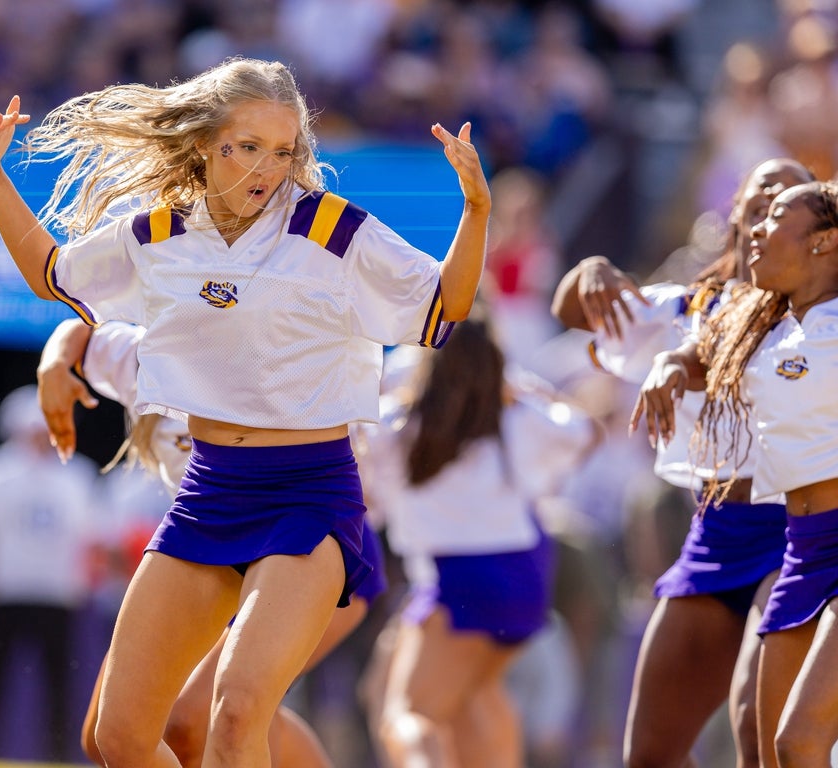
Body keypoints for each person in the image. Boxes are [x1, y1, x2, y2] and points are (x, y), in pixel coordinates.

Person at [0, 57, 489, 766]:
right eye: (248, 147)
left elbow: (444, 308)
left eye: (282, 152)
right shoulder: (157, 234)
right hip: (210, 488)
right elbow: (54, 277)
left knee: (238, 713)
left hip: (309, 491)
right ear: (204, 145)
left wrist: (476, 211)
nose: (266, 168)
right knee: (118, 737)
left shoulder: (334, 230)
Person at [551, 156, 814, 768]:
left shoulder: (823, 320)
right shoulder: (692, 306)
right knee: (650, 754)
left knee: (759, 726)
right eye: (757, 208)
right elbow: (574, 312)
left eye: (786, 208)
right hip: (717, 532)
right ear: (739, 227)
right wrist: (590, 272)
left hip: (799, 533)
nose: (767, 222)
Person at [38, 316, 389, 766]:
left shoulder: (277, 341)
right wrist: (52, 368)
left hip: (310, 546)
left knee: (213, 715)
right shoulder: (155, 348)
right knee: (106, 737)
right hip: (212, 549)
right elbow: (81, 329)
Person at [632, 179, 838, 767]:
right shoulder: (764, 326)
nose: (755, 229)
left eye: (775, 217)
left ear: (824, 242)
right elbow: (703, 350)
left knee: (799, 742)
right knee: (773, 752)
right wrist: (669, 365)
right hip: (802, 551)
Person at [359, 313, 596, 768]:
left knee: (406, 715)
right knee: (475, 699)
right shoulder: (518, 419)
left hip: (458, 580)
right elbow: (588, 433)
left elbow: (362, 487)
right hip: (526, 579)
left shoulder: (397, 425)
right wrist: (527, 394)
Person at [0, 384, 101, 761]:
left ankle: (56, 756)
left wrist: (80, 585)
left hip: (57, 596)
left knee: (59, 686)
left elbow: (89, 540)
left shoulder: (79, 475)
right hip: (4, 594)